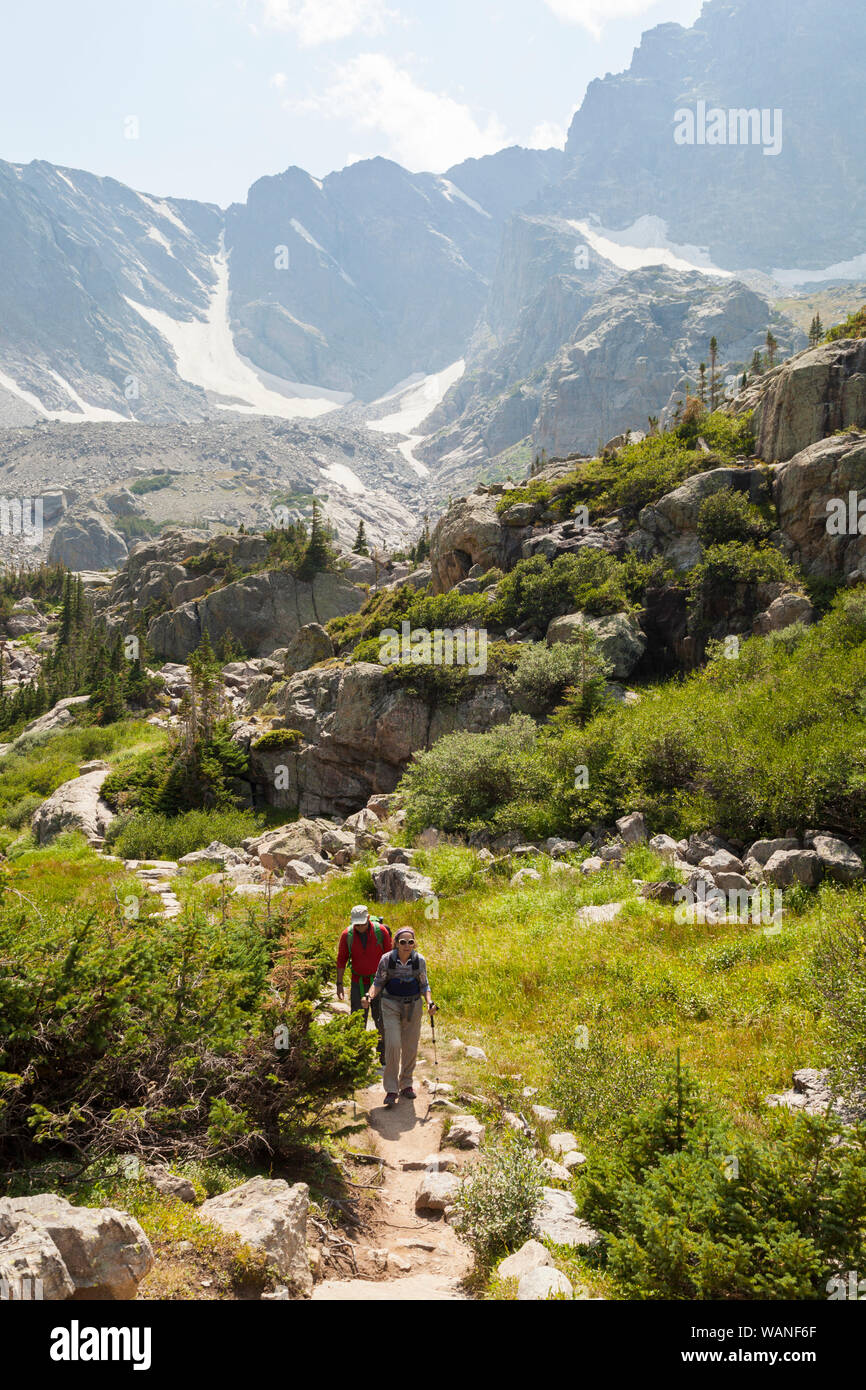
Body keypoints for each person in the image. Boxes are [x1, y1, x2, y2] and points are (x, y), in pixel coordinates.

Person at [363, 927, 436, 1107]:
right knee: (393, 1044)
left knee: (410, 1047)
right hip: (390, 1004)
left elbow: (424, 985)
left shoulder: (419, 960)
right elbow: (378, 982)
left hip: (413, 1006)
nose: (407, 945)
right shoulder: (387, 959)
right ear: (396, 943)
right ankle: (391, 1089)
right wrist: (369, 996)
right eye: (402, 942)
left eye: (410, 942)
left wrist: (429, 1003)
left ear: (414, 943)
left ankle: (407, 1084)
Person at [336, 905, 391, 1063]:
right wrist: (339, 983)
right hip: (357, 982)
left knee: (381, 1018)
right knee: (358, 1018)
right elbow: (341, 959)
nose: (359, 927)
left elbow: (389, 958)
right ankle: (357, 1055)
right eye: (356, 924)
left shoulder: (381, 932)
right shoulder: (347, 935)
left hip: (379, 982)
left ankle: (383, 1053)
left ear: (368, 919)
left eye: (362, 923)